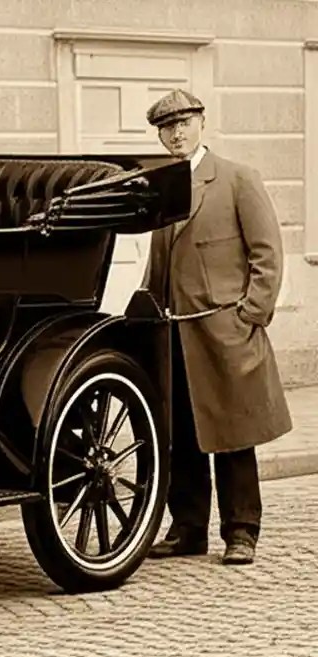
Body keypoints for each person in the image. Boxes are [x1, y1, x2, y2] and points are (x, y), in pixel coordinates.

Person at [139, 88, 292, 565]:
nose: (176, 133)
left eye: (184, 123)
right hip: (177, 333)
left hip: (226, 333)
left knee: (232, 436)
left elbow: (267, 253)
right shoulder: (163, 187)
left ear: (202, 122)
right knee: (180, 434)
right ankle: (187, 529)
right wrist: (146, 317)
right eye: (167, 127)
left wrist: (251, 314)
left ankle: (241, 532)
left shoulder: (236, 179)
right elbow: (158, 264)